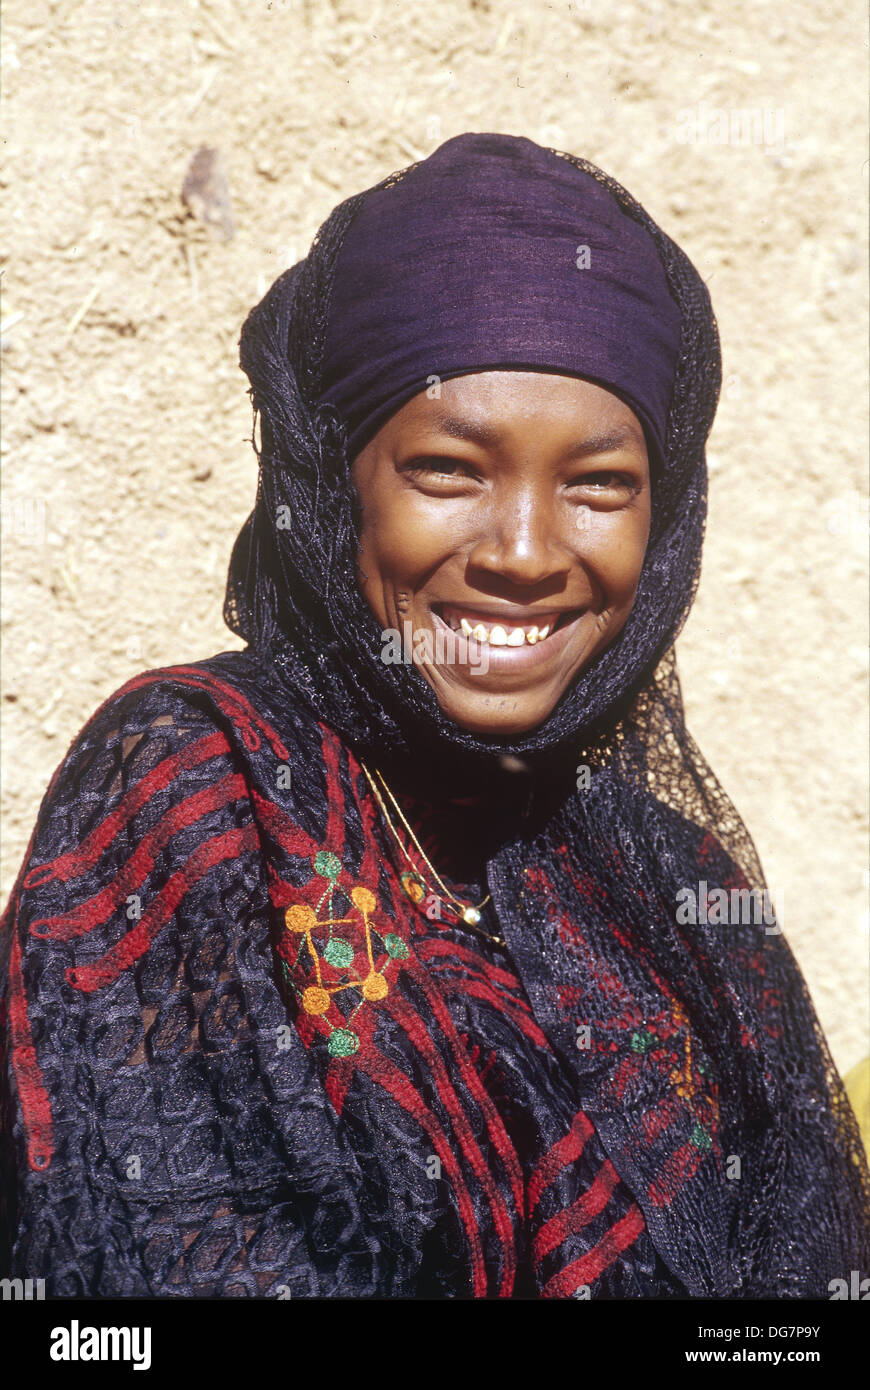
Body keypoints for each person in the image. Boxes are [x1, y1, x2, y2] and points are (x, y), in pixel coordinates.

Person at [1, 133, 867, 1299]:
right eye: (450, 470)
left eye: (600, 483)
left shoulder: (675, 889)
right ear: (331, 476)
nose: (525, 554)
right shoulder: (204, 791)